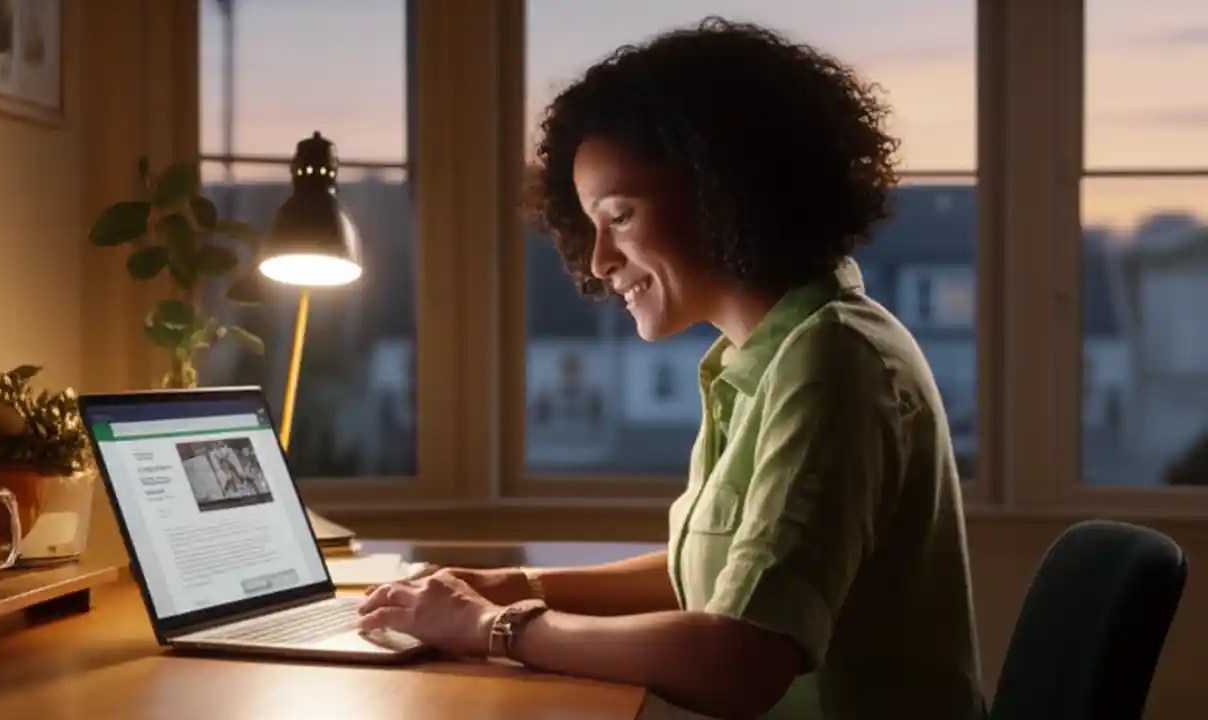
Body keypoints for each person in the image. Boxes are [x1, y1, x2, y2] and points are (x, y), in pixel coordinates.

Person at [359, 17, 982, 720]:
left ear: (724, 189)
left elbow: (738, 659)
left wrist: (493, 628)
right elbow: (731, 576)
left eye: (620, 216)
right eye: (592, 224)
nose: (599, 260)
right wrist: (516, 585)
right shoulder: (766, 358)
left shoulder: (834, 362)